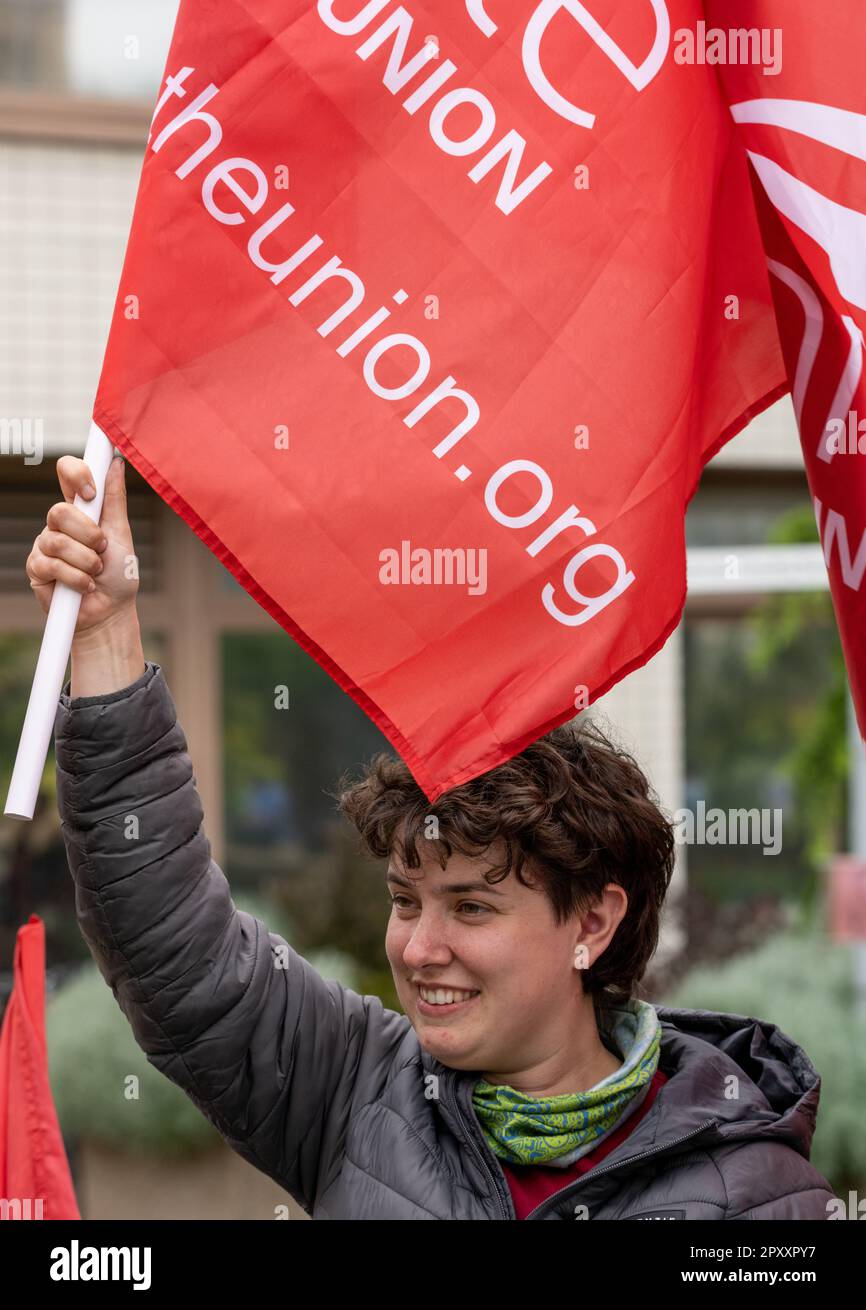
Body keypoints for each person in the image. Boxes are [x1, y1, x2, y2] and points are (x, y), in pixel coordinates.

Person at [27, 452, 836, 1220]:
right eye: (405, 900)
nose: (418, 948)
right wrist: (103, 634)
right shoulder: (350, 1088)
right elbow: (172, 947)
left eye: (471, 907)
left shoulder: (760, 1192)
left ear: (592, 922)